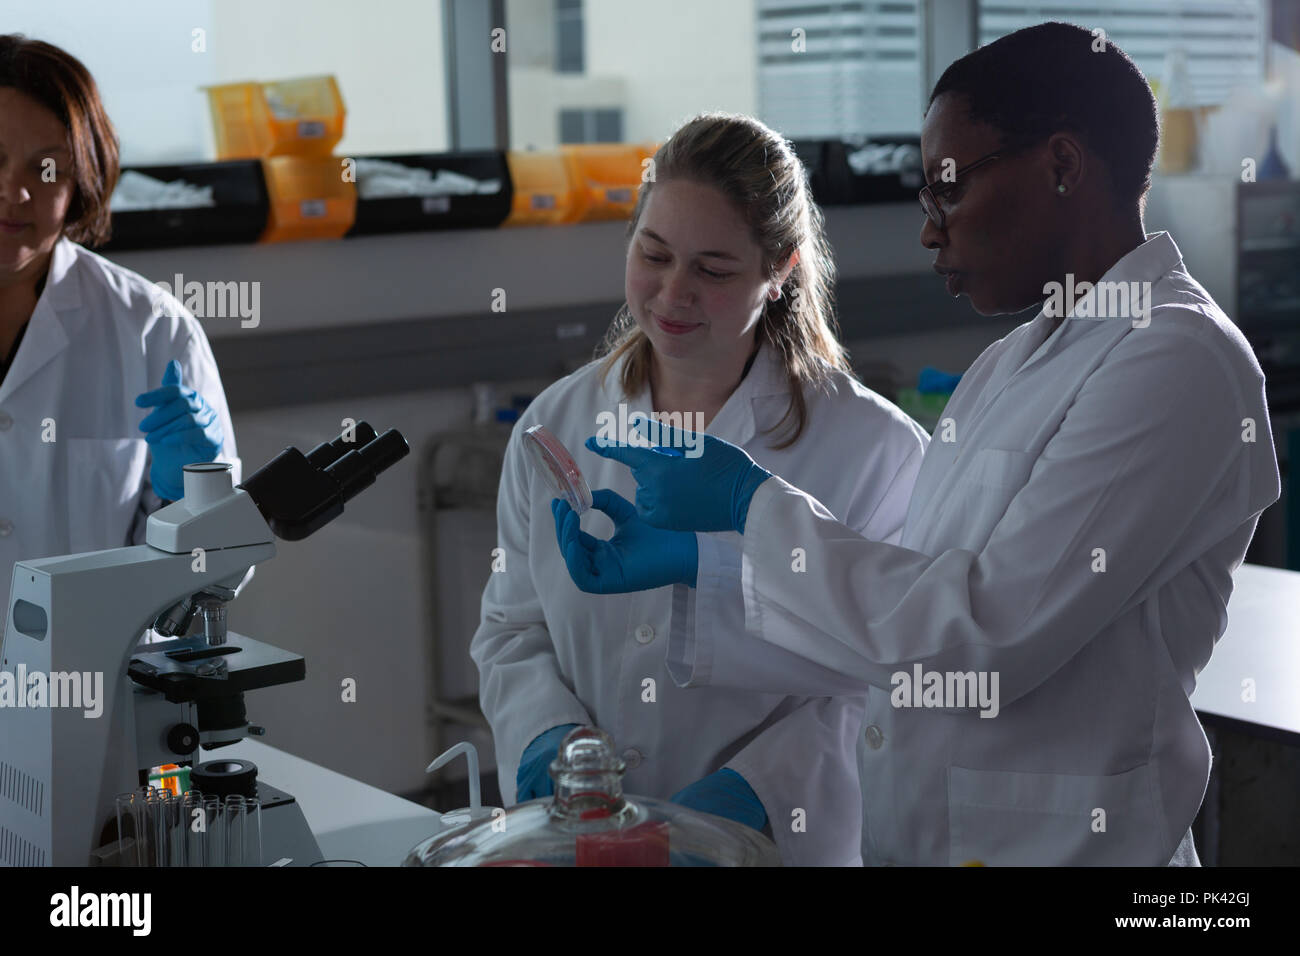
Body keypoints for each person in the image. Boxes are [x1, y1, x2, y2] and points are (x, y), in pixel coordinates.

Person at [554, 23, 1281, 866]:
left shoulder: (1176, 360)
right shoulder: (1014, 361)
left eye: (947, 190)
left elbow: (984, 636)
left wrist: (749, 503)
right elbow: (901, 622)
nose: (930, 231)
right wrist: (707, 565)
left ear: (1062, 165)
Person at [472, 112, 929, 865]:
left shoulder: (874, 450)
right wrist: (551, 744)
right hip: (584, 836)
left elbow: (882, 683)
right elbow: (513, 630)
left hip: (777, 844)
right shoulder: (557, 420)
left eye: (714, 270)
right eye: (653, 254)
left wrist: (751, 796)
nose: (673, 294)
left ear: (780, 270)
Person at [0, 35, 238, 632]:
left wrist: (198, 503)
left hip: (86, 699)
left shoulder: (151, 329)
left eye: (46, 167)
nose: (15, 191)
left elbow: (208, 587)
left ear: (83, 177)